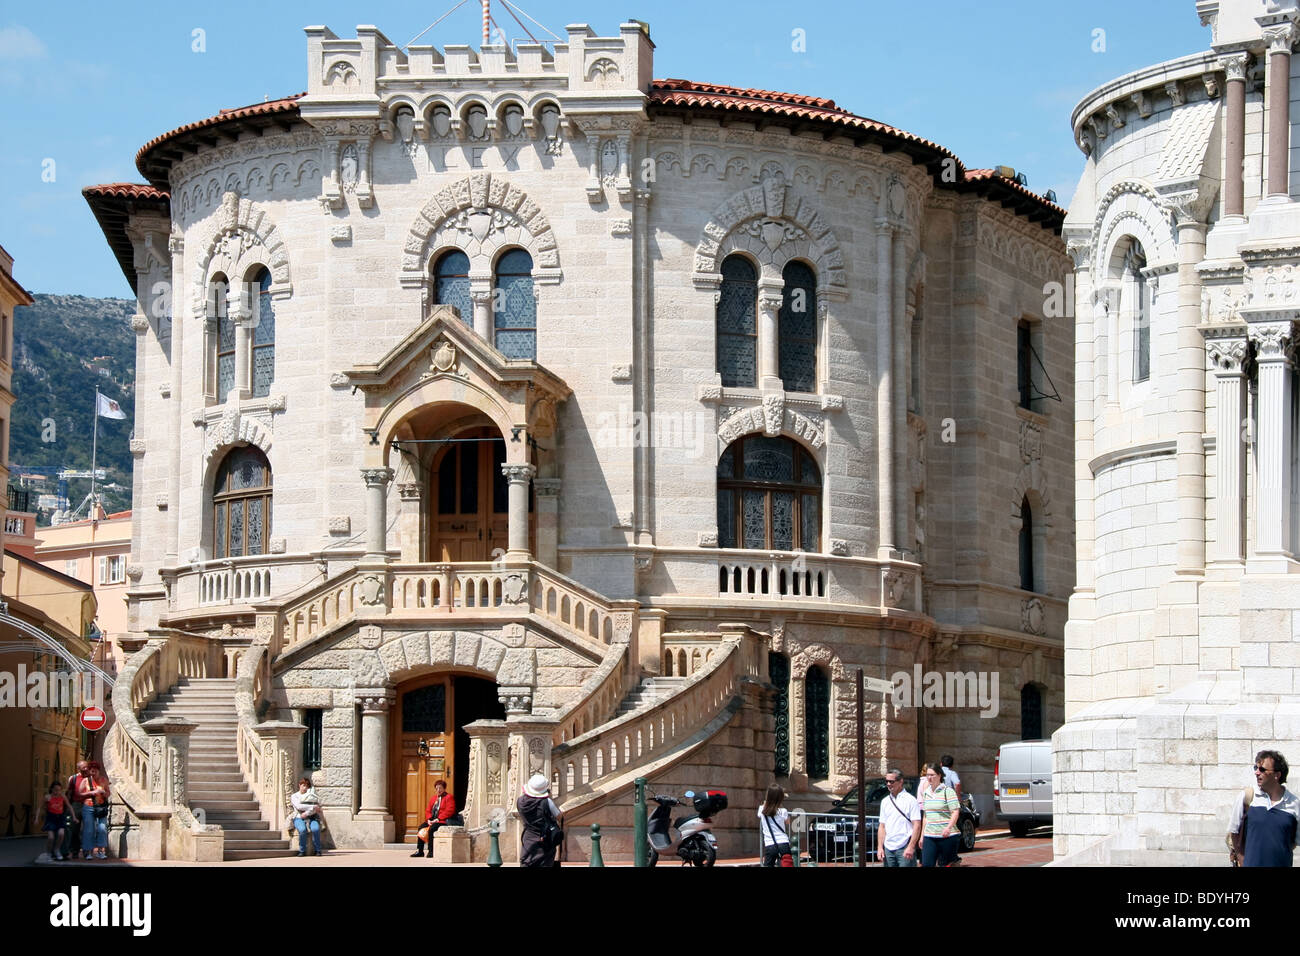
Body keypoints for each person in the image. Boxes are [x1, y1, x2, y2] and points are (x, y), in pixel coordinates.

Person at [1229, 750, 1300, 867]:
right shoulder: (1246, 797)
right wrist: (1243, 860)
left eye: (1262, 770)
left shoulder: (1294, 804)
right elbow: (1234, 832)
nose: (1257, 773)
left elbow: (1293, 842)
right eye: (1255, 768)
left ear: (1277, 775)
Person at [877, 769, 922, 867]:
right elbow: (882, 826)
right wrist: (880, 847)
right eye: (887, 781)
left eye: (891, 781)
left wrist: (911, 846)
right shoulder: (885, 801)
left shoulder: (911, 800)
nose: (888, 784)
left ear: (901, 781)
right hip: (888, 848)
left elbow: (917, 825)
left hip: (904, 846)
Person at [920, 763, 960, 867]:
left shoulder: (948, 791)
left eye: (932, 775)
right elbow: (925, 816)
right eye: (928, 775)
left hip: (946, 836)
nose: (929, 777)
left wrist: (948, 827)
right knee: (926, 864)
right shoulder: (926, 793)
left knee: (945, 864)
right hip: (929, 836)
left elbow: (955, 812)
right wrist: (922, 836)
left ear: (939, 775)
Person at [517, 773, 561, 867]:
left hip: (528, 836)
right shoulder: (547, 802)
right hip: (545, 838)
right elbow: (558, 816)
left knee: (527, 861)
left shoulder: (520, 801)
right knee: (544, 862)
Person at [410, 779, 457, 858]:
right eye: (437, 788)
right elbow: (428, 810)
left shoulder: (449, 797)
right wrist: (429, 819)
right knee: (421, 827)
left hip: (442, 821)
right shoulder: (433, 798)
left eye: (440, 788)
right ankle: (420, 851)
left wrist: (438, 819)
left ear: (444, 789)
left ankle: (431, 851)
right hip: (432, 820)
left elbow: (450, 810)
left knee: (432, 829)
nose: (438, 790)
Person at [76, 762, 110, 860]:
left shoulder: (104, 780)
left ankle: (100, 851)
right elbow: (79, 793)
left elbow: (108, 792)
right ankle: (89, 852)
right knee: (89, 830)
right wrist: (92, 792)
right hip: (88, 807)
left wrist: (104, 793)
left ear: (99, 771)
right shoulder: (86, 780)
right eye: (91, 771)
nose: (93, 773)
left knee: (102, 828)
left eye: (95, 771)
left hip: (101, 807)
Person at [756, 783, 791, 866]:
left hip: (770, 844)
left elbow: (760, 814)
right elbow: (788, 822)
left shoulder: (762, 810)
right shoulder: (783, 811)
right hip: (783, 843)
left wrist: (766, 803)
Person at [290, 777, 323, 857]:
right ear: (299, 785)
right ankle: (302, 850)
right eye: (303, 785)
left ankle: (318, 850)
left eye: (307, 786)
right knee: (302, 829)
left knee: (315, 829)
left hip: (312, 817)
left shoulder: (312, 796)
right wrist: (312, 807)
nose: (305, 787)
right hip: (298, 817)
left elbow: (317, 808)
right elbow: (299, 806)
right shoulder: (295, 796)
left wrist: (308, 812)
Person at [63, 761, 88, 860]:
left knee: (87, 830)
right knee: (74, 829)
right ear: (79, 769)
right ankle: (75, 851)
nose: (86, 769)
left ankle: (86, 850)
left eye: (87, 767)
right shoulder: (73, 778)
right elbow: (69, 793)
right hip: (75, 805)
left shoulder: (91, 777)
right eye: (84, 768)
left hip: (88, 804)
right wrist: (67, 807)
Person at [42, 782, 69, 861]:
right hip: (51, 818)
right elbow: (40, 807)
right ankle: (48, 853)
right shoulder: (48, 797)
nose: (57, 792)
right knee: (51, 837)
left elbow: (69, 806)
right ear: (51, 789)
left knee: (61, 834)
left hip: (60, 818)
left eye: (59, 790)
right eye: (55, 790)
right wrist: (37, 818)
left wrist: (74, 817)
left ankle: (57, 850)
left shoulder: (62, 797)